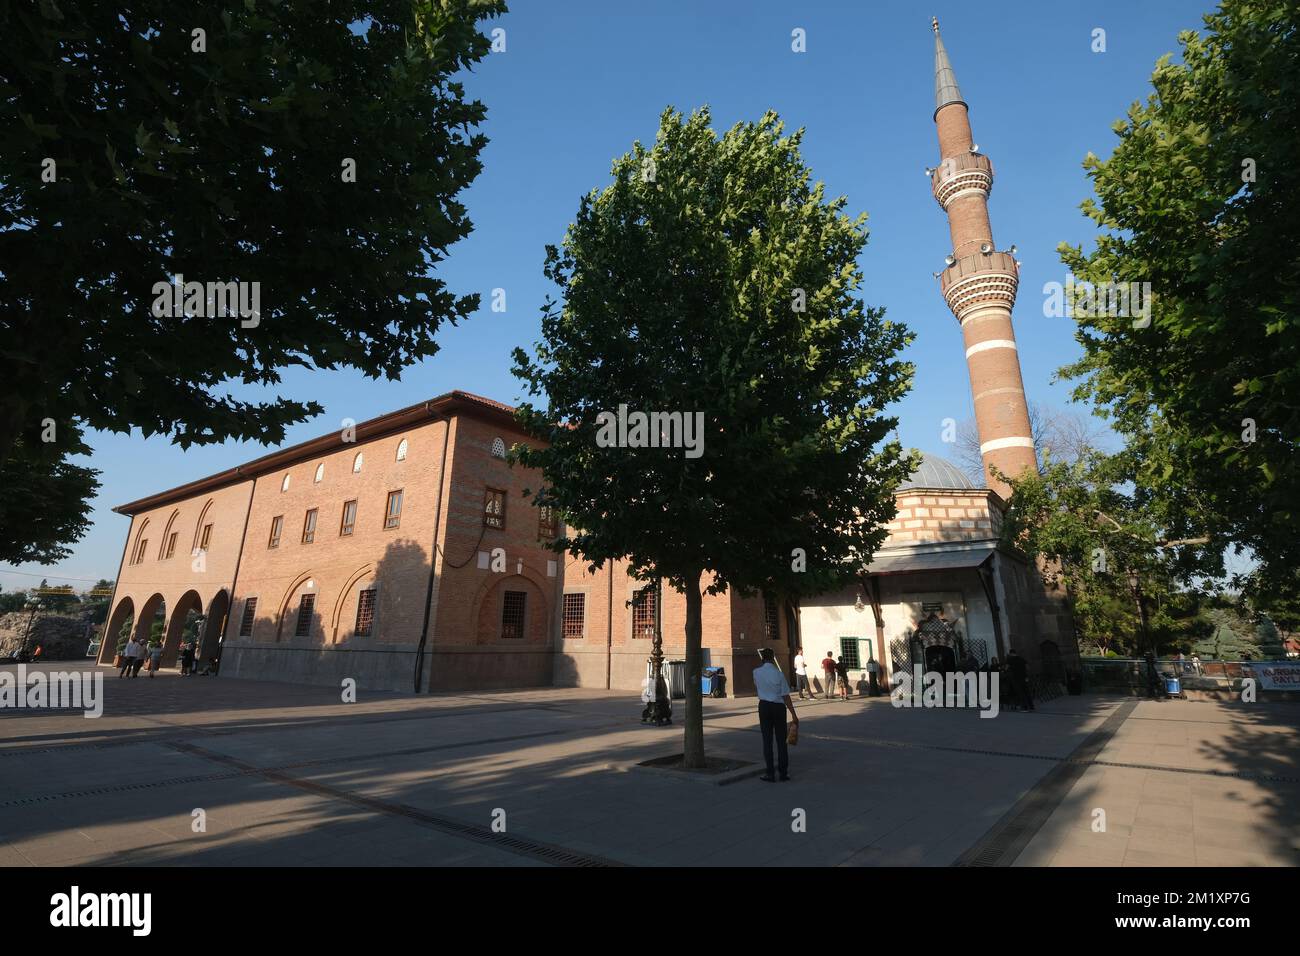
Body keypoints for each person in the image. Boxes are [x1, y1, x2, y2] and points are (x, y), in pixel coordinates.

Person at [753, 647, 798, 782]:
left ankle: (770, 773)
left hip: (764, 706)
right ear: (773, 658)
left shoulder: (756, 672)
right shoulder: (779, 674)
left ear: (762, 658)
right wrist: (793, 715)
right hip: (778, 707)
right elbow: (786, 696)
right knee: (781, 740)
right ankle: (783, 773)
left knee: (767, 740)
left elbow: (757, 686)